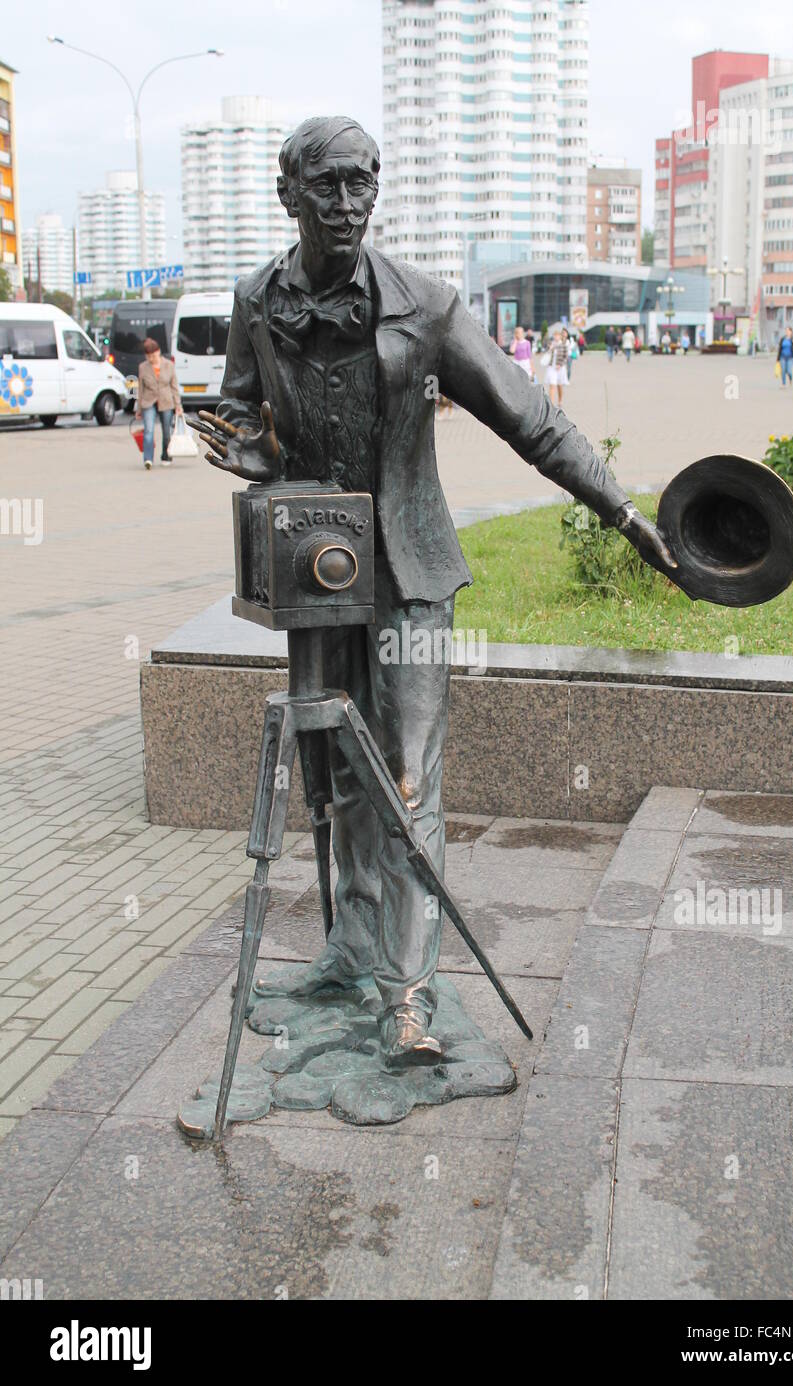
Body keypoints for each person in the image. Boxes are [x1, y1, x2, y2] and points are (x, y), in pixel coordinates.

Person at [192, 115, 673, 1060]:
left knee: (406, 779)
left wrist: (626, 516)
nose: (346, 203)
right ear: (290, 194)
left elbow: (532, 418)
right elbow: (245, 414)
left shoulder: (426, 303)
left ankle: (409, 995)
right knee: (332, 773)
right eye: (326, 186)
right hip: (316, 573)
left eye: (362, 183)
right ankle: (350, 946)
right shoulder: (256, 299)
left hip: (409, 572)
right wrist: (246, 448)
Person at [136, 337, 181, 470]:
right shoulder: (143, 367)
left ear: (159, 352)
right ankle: (148, 458)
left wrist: (178, 406)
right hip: (148, 401)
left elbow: (174, 387)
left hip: (166, 401)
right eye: (149, 356)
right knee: (148, 431)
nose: (152, 358)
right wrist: (138, 409)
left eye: (154, 355)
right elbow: (140, 389)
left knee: (166, 431)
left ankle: (166, 456)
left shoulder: (169, 365)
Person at [545, 327, 570, 405]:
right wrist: (550, 348)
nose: (555, 337)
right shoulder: (551, 344)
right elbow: (546, 352)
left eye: (557, 335)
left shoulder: (563, 345)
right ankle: (551, 404)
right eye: (554, 335)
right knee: (552, 385)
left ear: (560, 336)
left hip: (560, 368)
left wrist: (560, 364)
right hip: (551, 367)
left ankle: (560, 400)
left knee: (559, 386)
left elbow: (566, 357)